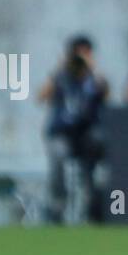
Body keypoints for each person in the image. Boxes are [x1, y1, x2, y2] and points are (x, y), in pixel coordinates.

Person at [37, 36, 111, 223]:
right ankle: (57, 205)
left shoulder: (93, 80)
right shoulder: (61, 77)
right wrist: (60, 69)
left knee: (96, 154)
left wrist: (92, 68)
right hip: (61, 133)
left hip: (87, 135)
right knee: (58, 155)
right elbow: (41, 96)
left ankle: (94, 205)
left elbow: (108, 95)